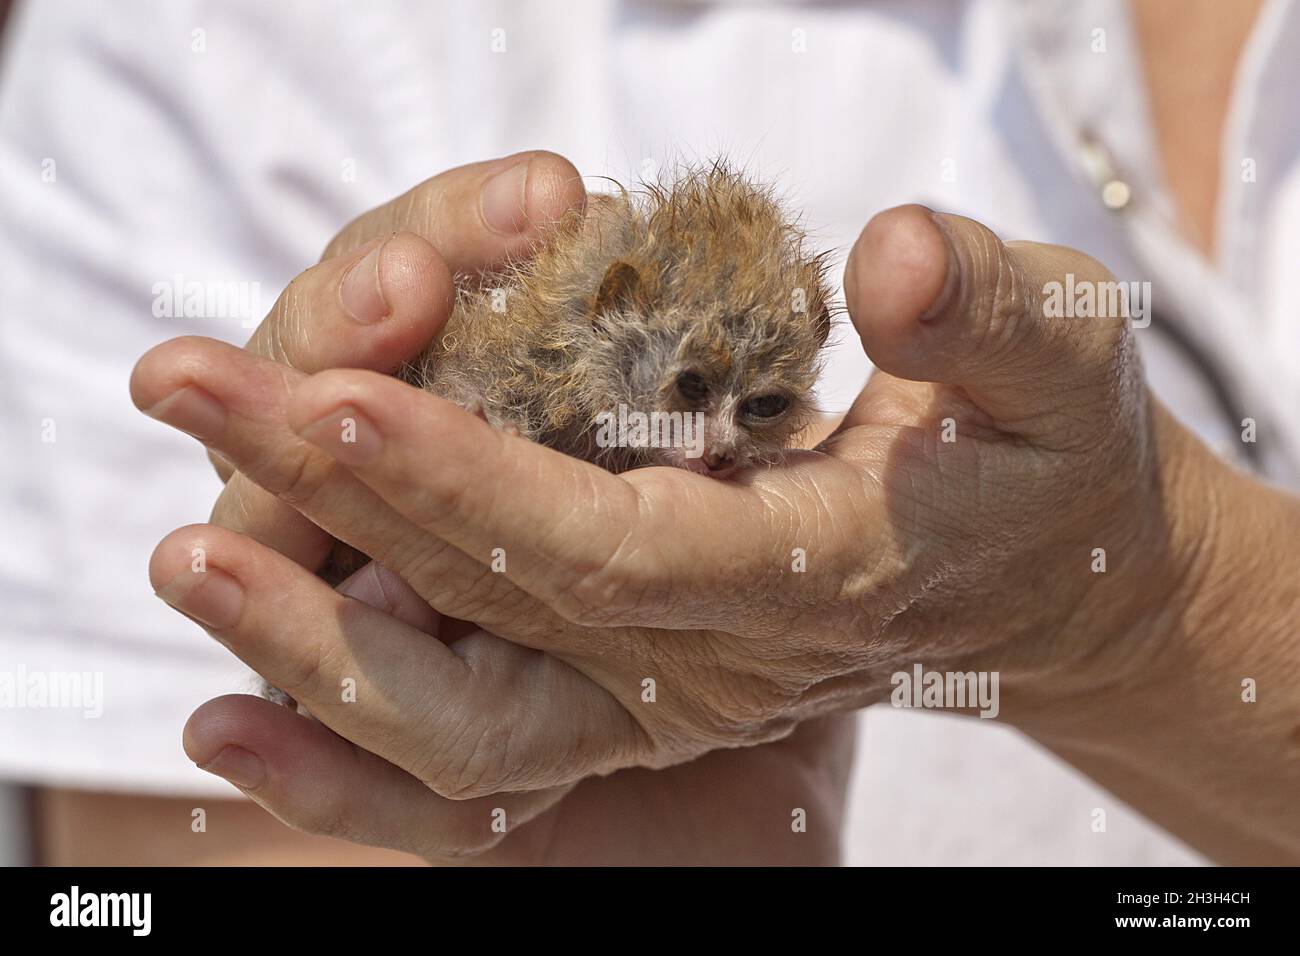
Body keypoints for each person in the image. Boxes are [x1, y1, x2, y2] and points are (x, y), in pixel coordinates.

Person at [3, 0, 1295, 865]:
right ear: (609, 313)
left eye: (769, 410)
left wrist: (1129, 619)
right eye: (692, 397)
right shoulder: (215, 40)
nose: (724, 447)